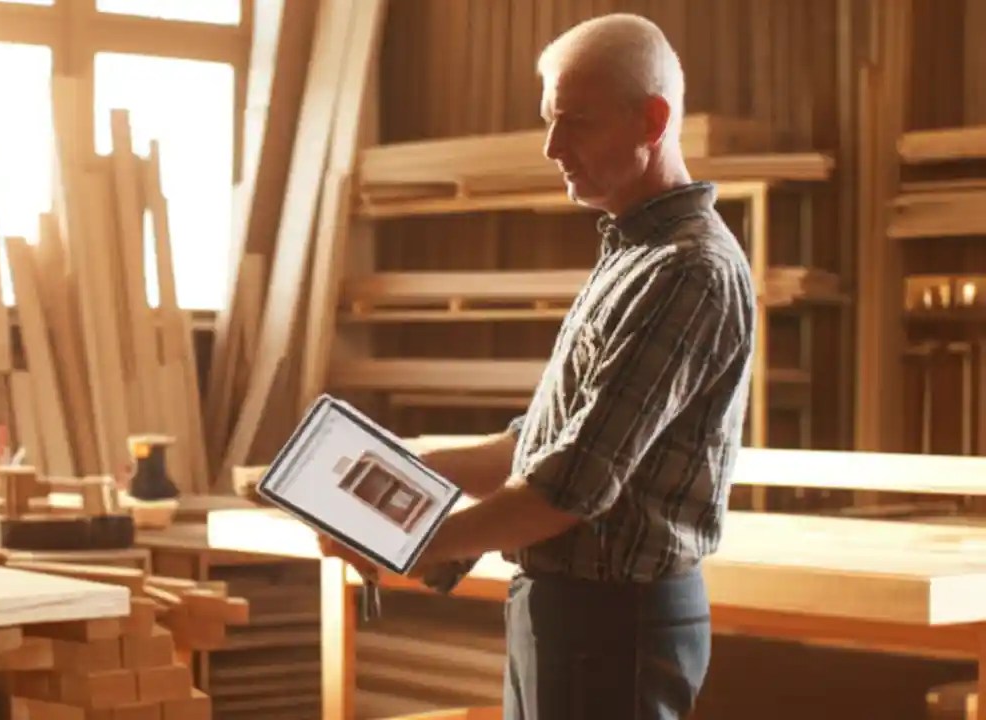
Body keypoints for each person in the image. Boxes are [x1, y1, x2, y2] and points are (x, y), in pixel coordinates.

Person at [319, 12, 757, 720]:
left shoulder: (687, 270)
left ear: (652, 121)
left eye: (576, 122)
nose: (553, 147)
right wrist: (400, 469)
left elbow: (575, 482)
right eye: (549, 121)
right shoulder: (633, 256)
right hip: (569, 612)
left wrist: (414, 541)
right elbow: (541, 445)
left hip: (614, 625)